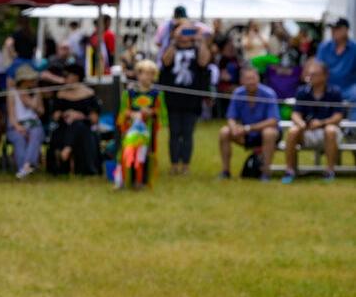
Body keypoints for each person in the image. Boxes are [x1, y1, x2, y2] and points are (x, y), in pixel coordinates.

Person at [160, 19, 210, 175]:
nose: (185, 34)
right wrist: (174, 41)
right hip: (173, 98)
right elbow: (165, 61)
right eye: (183, 30)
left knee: (188, 132)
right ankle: (174, 164)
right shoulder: (172, 47)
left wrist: (200, 41)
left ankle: (186, 165)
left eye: (189, 31)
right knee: (174, 132)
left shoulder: (197, 49)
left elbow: (203, 62)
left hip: (191, 99)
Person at [282, 60, 344, 183]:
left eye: (314, 74)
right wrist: (301, 123)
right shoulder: (302, 91)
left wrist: (322, 123)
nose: (310, 77)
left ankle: (330, 171)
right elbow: (295, 114)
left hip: (327, 132)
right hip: (307, 132)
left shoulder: (335, 92)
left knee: (330, 130)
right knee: (293, 131)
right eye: (309, 74)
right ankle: (290, 170)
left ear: (325, 76)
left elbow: (338, 116)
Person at [218, 66, 280, 181]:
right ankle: (225, 171)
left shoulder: (269, 94)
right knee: (224, 131)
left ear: (258, 78)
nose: (251, 81)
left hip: (266, 134)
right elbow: (231, 116)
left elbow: (273, 120)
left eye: (253, 78)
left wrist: (248, 128)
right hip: (246, 134)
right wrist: (233, 128)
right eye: (248, 79)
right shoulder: (238, 93)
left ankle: (265, 172)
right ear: (242, 81)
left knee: (269, 132)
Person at [116, 60, 168, 188]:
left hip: (148, 131)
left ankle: (142, 181)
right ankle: (126, 180)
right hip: (131, 131)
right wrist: (131, 114)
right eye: (143, 73)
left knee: (144, 155)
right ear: (137, 75)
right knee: (128, 153)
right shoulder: (129, 93)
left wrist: (151, 112)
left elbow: (162, 114)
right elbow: (122, 112)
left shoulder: (157, 94)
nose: (146, 77)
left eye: (150, 74)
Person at [48, 64, 101, 175]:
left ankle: (66, 150)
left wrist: (80, 116)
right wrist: (65, 114)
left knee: (79, 125)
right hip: (64, 128)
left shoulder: (89, 94)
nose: (65, 78)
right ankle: (66, 152)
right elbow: (55, 115)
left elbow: (94, 119)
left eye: (68, 75)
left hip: (84, 129)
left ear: (76, 77)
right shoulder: (60, 94)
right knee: (73, 127)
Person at [5, 65, 44, 179]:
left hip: (33, 124)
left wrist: (33, 101)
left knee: (36, 134)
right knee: (19, 139)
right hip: (16, 125)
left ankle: (27, 166)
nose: (33, 81)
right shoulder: (12, 93)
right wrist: (18, 127)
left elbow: (41, 112)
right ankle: (23, 169)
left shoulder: (36, 92)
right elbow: (11, 116)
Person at [315, 18, 356, 120]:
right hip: (327, 87)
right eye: (332, 28)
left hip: (348, 87)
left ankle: (352, 130)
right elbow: (318, 68)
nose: (333, 31)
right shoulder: (324, 47)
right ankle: (315, 122)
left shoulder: (354, 48)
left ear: (346, 30)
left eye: (337, 28)